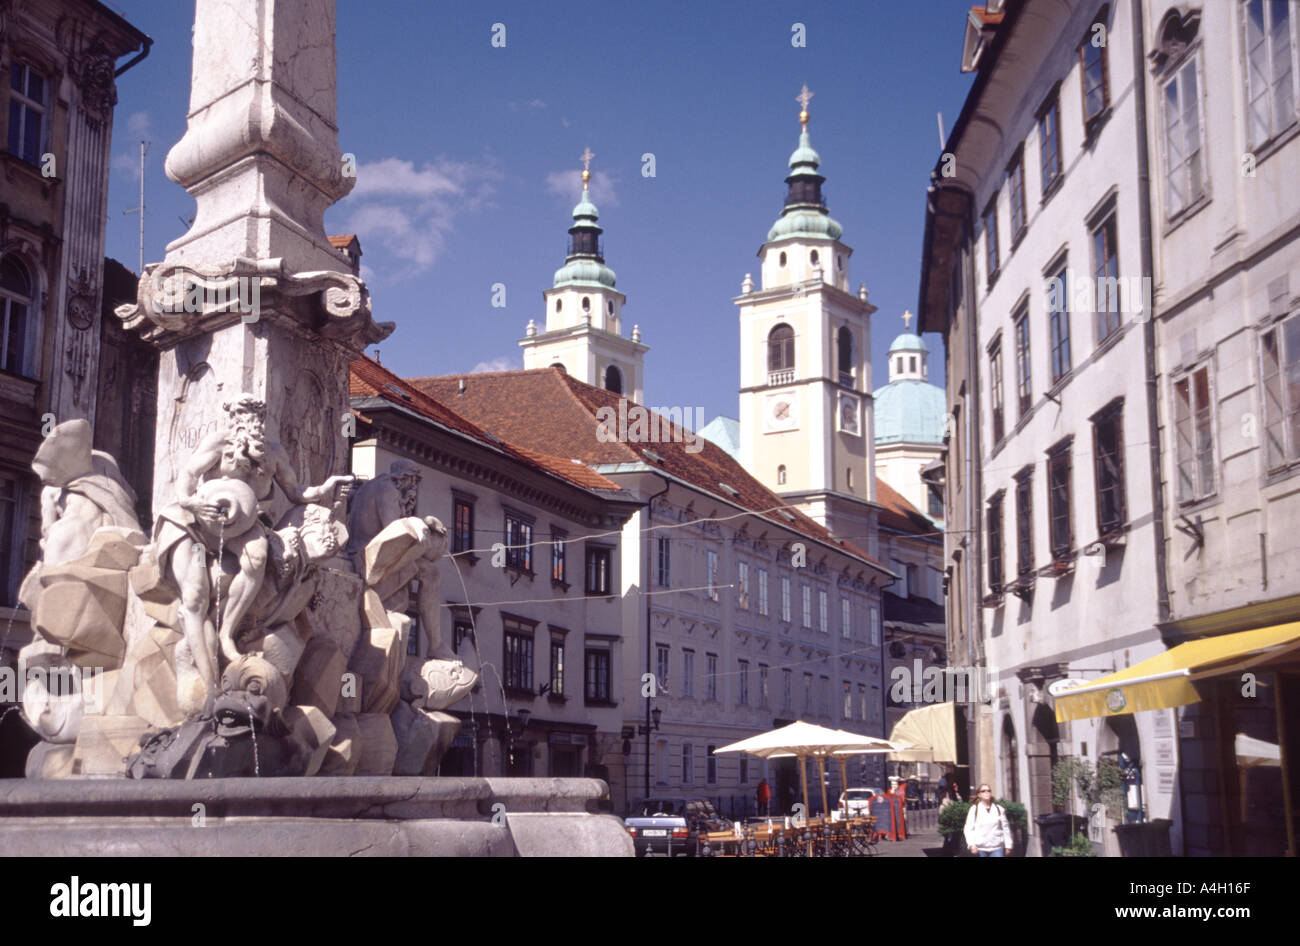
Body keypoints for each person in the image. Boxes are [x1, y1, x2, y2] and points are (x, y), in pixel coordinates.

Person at [963, 784, 1013, 857]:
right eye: (983, 791)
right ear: (979, 794)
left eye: (989, 791)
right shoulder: (974, 810)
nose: (986, 792)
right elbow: (968, 829)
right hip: (979, 848)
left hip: (997, 848)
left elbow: (1006, 828)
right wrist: (971, 844)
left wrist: (1008, 845)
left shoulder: (999, 809)